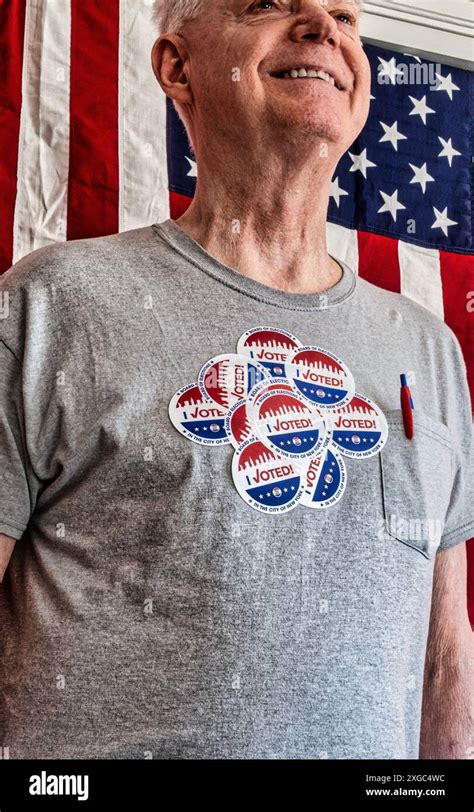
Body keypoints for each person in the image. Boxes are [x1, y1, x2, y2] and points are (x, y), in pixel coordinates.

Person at [0, 0, 473, 760]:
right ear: (176, 67)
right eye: (268, 4)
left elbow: (445, 653)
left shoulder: (428, 348)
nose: (323, 26)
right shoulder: (51, 305)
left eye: (346, 16)